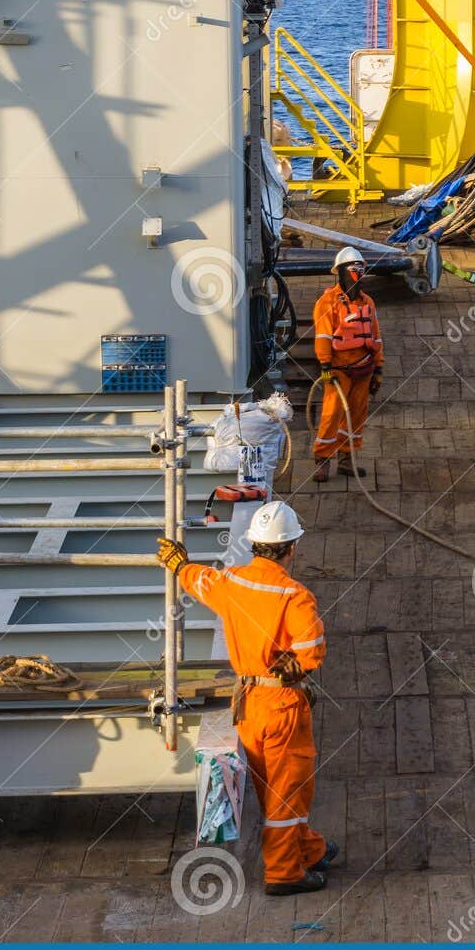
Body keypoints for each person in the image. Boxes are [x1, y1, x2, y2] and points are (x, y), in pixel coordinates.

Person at [157, 502, 338, 896]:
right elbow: (312, 649)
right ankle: (284, 873)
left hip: (248, 706)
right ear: (290, 548)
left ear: (254, 544)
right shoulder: (294, 595)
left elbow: (199, 580)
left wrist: (178, 564)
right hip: (282, 706)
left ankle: (310, 849)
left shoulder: (232, 581)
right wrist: (295, 668)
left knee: (271, 790)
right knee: (289, 793)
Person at [312, 247, 383, 482]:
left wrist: (379, 368)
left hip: (364, 369)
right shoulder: (327, 302)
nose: (358, 273)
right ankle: (322, 461)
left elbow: (375, 336)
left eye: (361, 268)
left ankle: (346, 460)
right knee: (331, 415)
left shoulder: (368, 302)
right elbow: (323, 336)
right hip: (338, 370)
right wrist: (325, 366)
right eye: (353, 268)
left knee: (356, 416)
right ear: (340, 272)